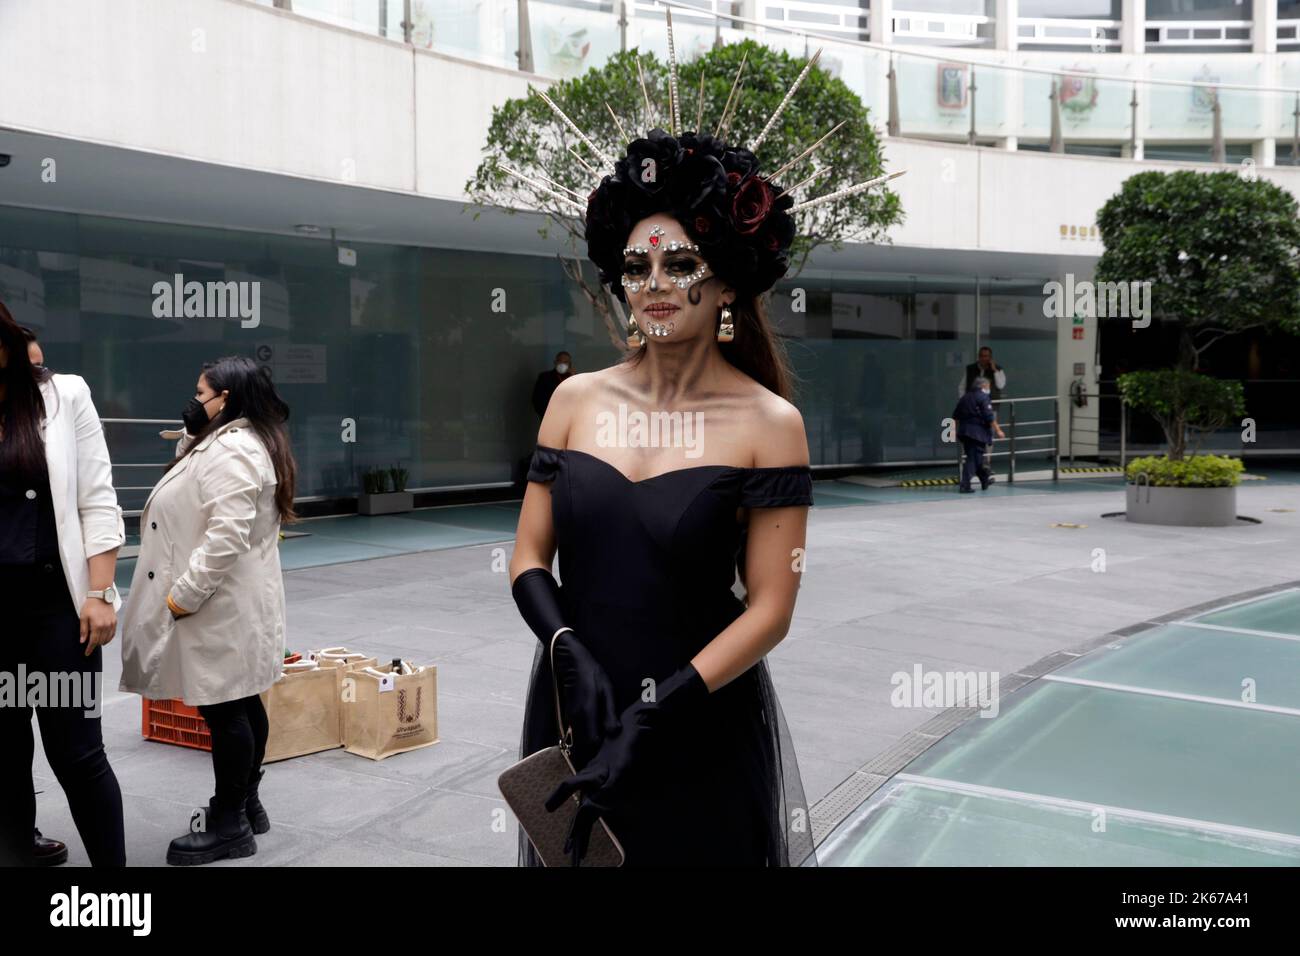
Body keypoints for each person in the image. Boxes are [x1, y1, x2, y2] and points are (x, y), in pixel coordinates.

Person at [507, 107, 833, 862]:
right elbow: (527, 557)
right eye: (636, 268)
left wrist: (658, 711)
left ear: (726, 283)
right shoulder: (573, 402)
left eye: (679, 264)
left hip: (699, 721)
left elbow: (771, 610)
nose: (653, 283)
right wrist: (564, 646)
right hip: (576, 713)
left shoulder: (770, 423)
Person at [118, 355, 296, 866]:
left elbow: (226, 537)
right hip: (232, 602)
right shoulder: (235, 440)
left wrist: (183, 596)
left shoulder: (235, 450)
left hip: (218, 604)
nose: (194, 402)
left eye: (202, 395)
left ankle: (229, 824)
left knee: (225, 709)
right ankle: (245, 804)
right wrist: (195, 433)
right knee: (241, 701)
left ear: (227, 400)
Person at [0, 301, 126, 867]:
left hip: (56, 611)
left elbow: (97, 500)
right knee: (4, 752)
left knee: (76, 753)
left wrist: (99, 594)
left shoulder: (64, 394)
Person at [953, 376, 1006, 493]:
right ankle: (965, 485)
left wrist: (954, 431)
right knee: (973, 460)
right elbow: (989, 416)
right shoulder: (983, 397)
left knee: (977, 459)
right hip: (977, 433)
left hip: (965, 432)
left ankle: (984, 479)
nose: (989, 388)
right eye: (989, 386)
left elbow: (955, 415)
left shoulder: (965, 398)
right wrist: (998, 430)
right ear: (984, 386)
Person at [531, 351, 573, 418]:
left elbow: (579, 398)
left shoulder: (573, 378)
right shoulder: (545, 377)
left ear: (569, 364)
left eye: (565, 362)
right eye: (560, 361)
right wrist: (546, 416)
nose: (562, 364)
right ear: (555, 362)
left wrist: (574, 376)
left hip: (568, 417)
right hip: (549, 417)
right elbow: (537, 399)